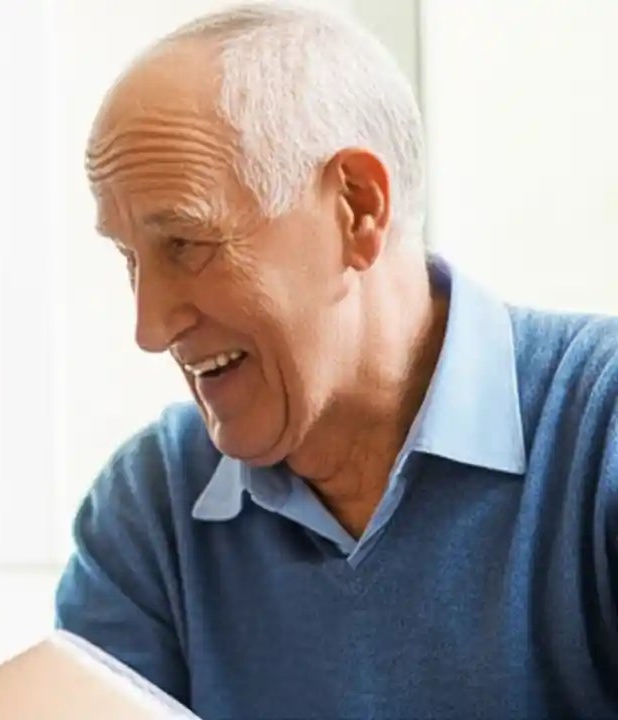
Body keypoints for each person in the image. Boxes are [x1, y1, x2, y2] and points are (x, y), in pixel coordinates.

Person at [54, 3, 618, 718]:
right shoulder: (151, 507)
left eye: (187, 244)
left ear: (357, 208)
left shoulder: (602, 431)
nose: (150, 325)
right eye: (129, 258)